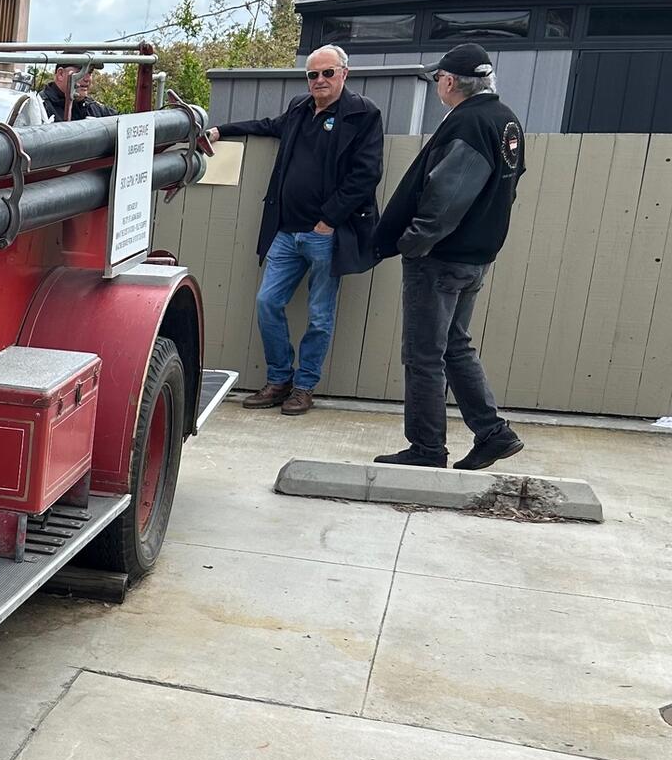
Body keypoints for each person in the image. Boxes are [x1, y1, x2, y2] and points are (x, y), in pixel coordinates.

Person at [371, 43, 526, 470]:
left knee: (423, 355)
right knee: (454, 346)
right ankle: (494, 434)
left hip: (441, 258)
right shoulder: (505, 119)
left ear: (451, 81)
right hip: (475, 257)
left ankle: (426, 449)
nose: (438, 83)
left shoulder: (469, 123)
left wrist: (414, 241)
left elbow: (448, 195)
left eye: (439, 77)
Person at [209, 45, 384, 416]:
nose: (319, 80)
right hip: (286, 232)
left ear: (344, 73)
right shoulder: (299, 108)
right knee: (267, 302)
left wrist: (329, 220)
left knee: (320, 316)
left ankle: (303, 387)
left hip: (325, 235)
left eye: (327, 73)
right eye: (312, 74)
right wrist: (222, 130)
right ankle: (279, 380)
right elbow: (267, 126)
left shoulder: (363, 114)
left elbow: (366, 174)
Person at [37, 62, 112, 124]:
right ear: (61, 74)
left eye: (90, 72)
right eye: (81, 72)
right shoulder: (39, 108)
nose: (87, 79)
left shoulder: (93, 107)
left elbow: (118, 121)